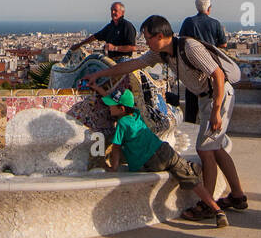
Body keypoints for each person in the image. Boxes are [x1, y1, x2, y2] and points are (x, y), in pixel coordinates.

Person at [80, 14, 247, 220]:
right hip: (206, 98)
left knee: (205, 150)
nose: (146, 42)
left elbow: (218, 75)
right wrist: (99, 75)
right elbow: (132, 65)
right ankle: (238, 196)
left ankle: (207, 205)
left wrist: (216, 110)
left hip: (219, 96)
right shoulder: (162, 54)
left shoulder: (190, 47)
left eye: (148, 37)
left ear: (160, 36)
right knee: (216, 148)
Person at [97, 86, 228, 227]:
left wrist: (114, 167)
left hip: (147, 162)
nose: (109, 108)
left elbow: (116, 147)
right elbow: (120, 103)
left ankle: (187, 166)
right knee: (193, 180)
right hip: (164, 152)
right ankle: (217, 210)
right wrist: (99, 89)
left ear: (121, 109)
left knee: (124, 148)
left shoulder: (122, 123)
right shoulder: (136, 114)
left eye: (111, 106)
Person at [178, 0, 228, 123]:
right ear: (209, 8)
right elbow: (224, 44)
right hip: (210, 67)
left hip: (192, 68)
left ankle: (190, 130)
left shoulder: (188, 22)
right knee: (208, 104)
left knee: (191, 106)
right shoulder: (215, 23)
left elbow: (181, 41)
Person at [69, 2, 139, 61]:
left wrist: (115, 48)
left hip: (123, 61)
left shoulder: (127, 26)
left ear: (122, 12)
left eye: (115, 10)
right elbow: (96, 36)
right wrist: (80, 45)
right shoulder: (110, 27)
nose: (112, 12)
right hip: (111, 60)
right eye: (111, 10)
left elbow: (133, 47)